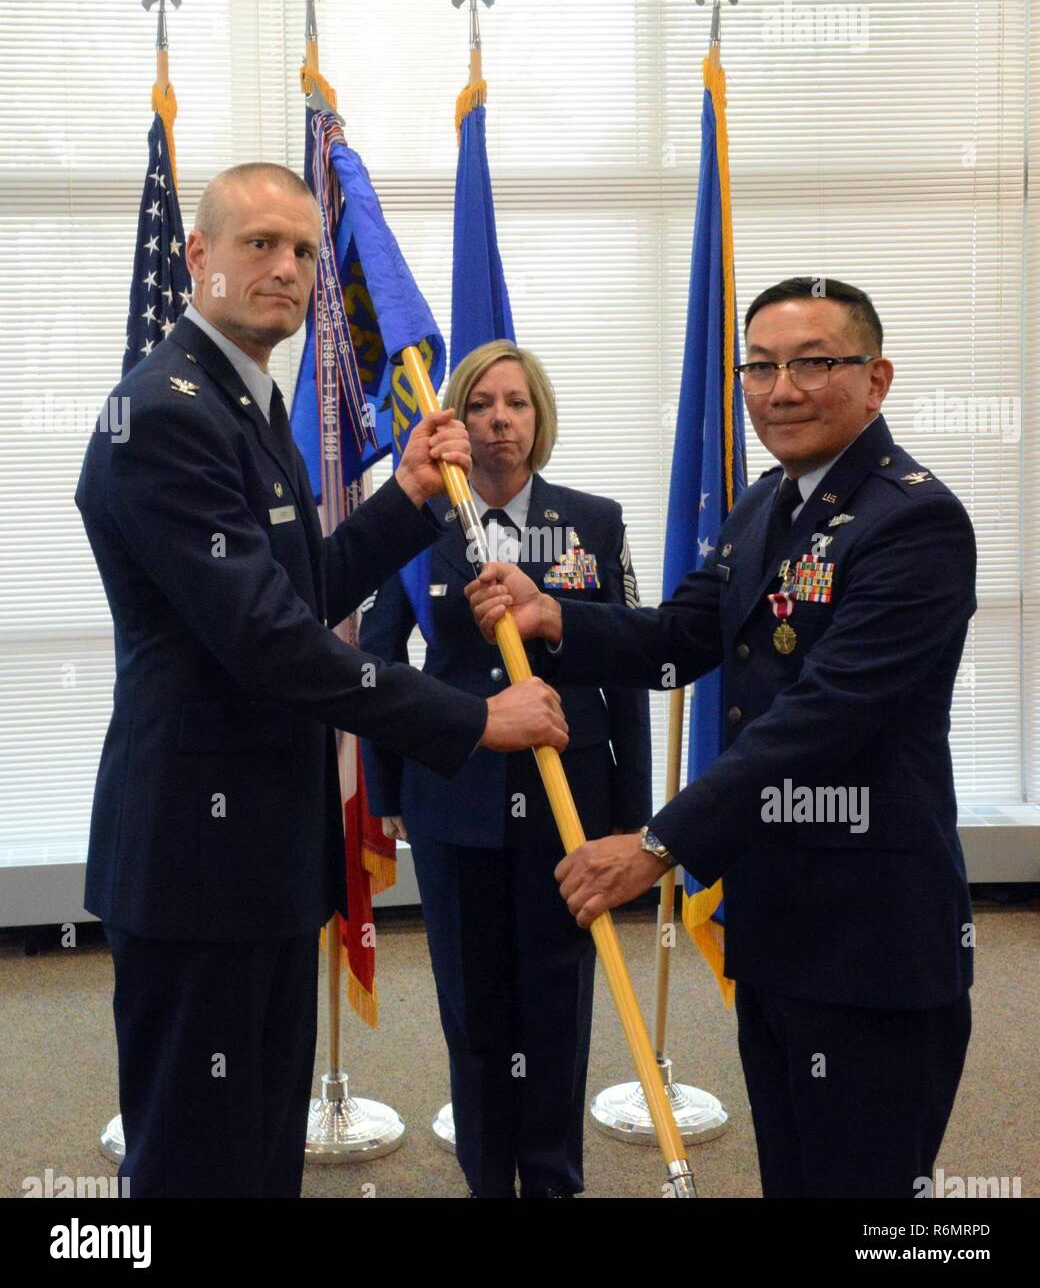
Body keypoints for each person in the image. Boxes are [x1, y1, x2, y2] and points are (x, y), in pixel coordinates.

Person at [75, 163, 567, 1198]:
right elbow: (268, 641)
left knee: (256, 1145)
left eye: (303, 250)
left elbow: (294, 593)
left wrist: (408, 499)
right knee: (197, 1155)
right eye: (259, 243)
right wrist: (472, 719)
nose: (289, 269)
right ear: (197, 256)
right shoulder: (166, 413)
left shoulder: (242, 402)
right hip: (194, 858)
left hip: (256, 845)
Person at [468, 278, 976, 1199]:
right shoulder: (769, 508)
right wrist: (556, 617)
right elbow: (676, 640)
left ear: (877, 379)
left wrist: (659, 843)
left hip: (871, 935)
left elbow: (819, 720)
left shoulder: (917, 524)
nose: (782, 389)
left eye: (814, 363)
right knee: (795, 1173)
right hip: (778, 917)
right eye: (762, 366)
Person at [360, 340, 652, 1198]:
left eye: (517, 403)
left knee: (557, 1012)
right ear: (456, 418)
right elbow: (378, 664)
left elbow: (625, 667)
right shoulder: (421, 530)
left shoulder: (593, 521)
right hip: (458, 804)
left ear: (539, 416)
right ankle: (490, 1182)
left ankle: (555, 1183)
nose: (499, 420)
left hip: (572, 811)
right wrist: (388, 792)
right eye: (481, 403)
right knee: (476, 1017)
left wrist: (631, 815)